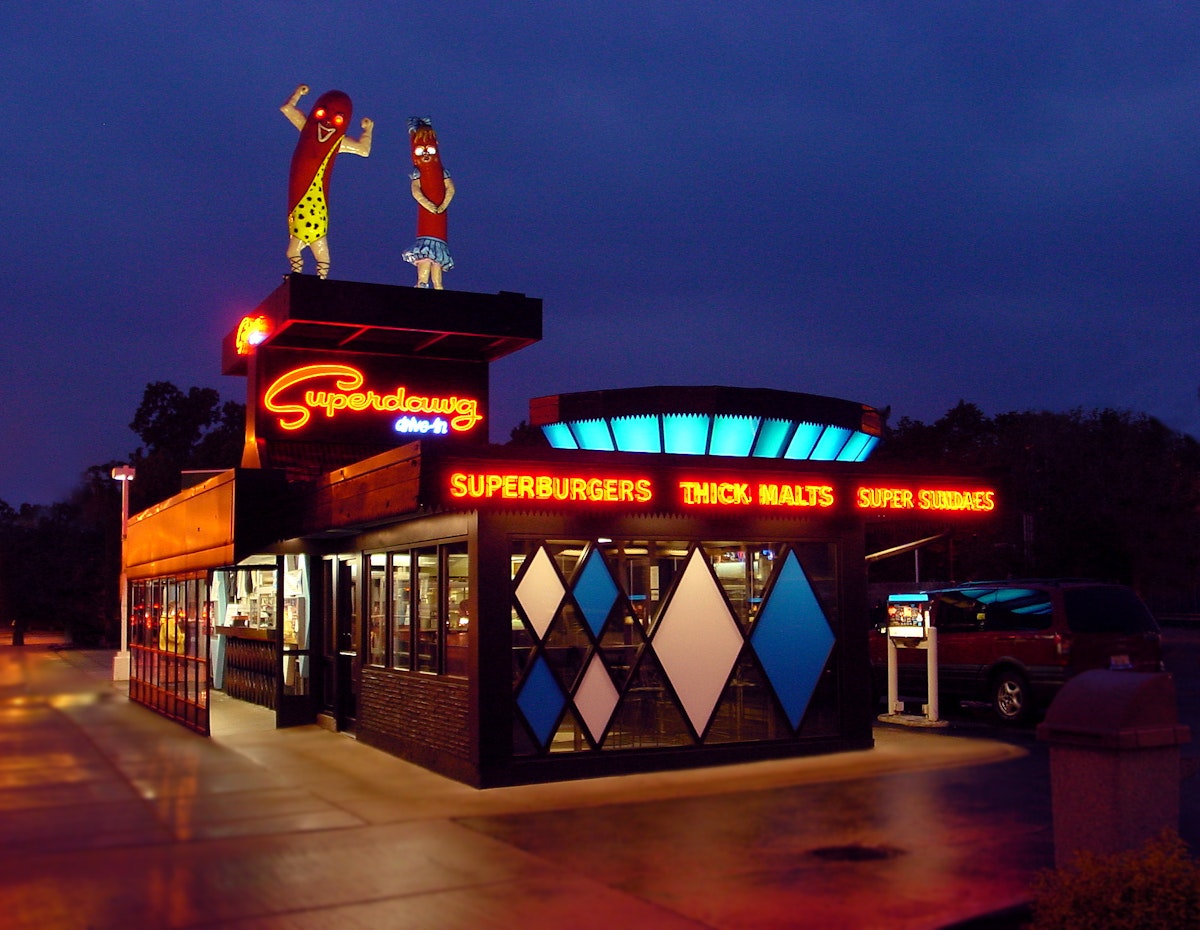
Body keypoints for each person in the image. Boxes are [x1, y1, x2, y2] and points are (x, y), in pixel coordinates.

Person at [281, 84, 373, 279]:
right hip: (306, 211)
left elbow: (364, 150)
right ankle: (308, 277)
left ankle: (311, 278)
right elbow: (287, 109)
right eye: (323, 113)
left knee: (303, 251)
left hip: (316, 213)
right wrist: (297, 94)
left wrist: (368, 130)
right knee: (305, 252)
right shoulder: (308, 127)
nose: (329, 122)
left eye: (338, 118)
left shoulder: (336, 141)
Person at [402, 117, 455, 288]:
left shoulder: (441, 170)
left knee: (437, 270)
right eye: (420, 151)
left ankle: (436, 288)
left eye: (429, 150)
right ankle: (422, 285)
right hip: (428, 226)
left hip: (438, 228)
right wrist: (429, 204)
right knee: (425, 263)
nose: (425, 154)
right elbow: (416, 191)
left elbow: (451, 189)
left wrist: (443, 204)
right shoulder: (418, 171)